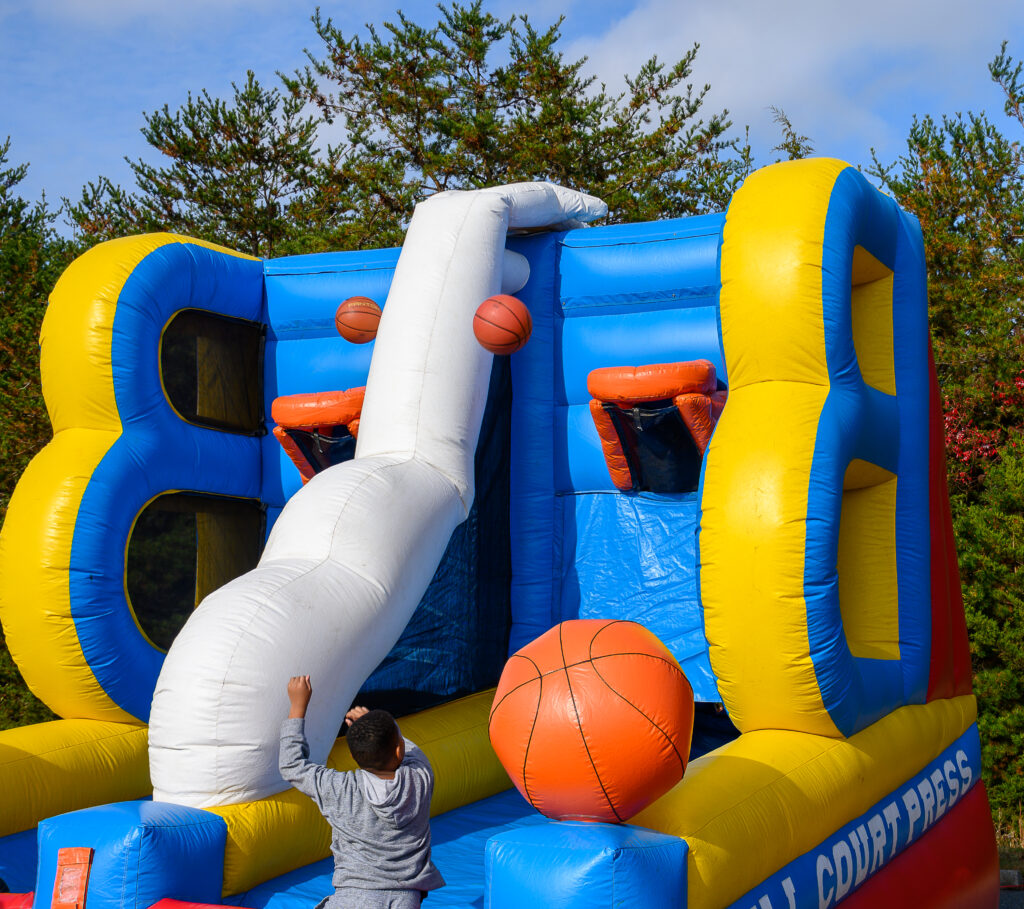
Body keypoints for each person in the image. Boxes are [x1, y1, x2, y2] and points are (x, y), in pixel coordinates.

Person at [280, 675, 445, 909]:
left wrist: (298, 706)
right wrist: (374, 723)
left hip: (354, 899)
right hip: (405, 899)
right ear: (399, 750)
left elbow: (292, 765)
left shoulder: (339, 789)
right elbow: (407, 749)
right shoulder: (420, 777)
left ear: (354, 757)